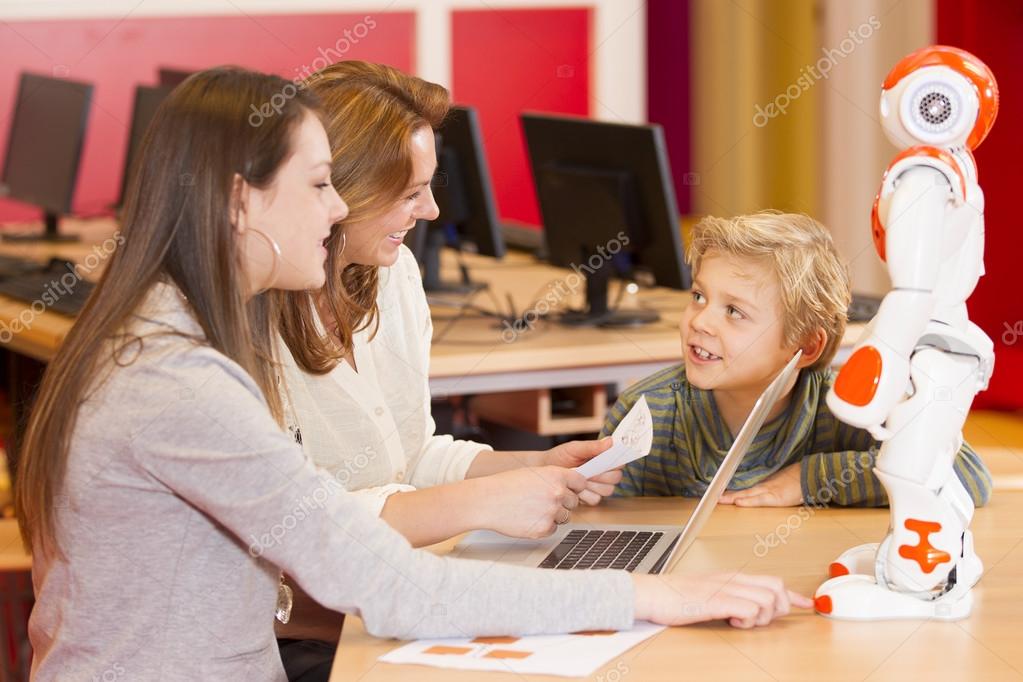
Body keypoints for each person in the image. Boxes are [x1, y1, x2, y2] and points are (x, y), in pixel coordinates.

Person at [14, 68, 810, 680]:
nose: (334, 211)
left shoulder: (158, 334)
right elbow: (388, 584)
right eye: (319, 184)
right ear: (238, 201)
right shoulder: (178, 380)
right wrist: (653, 597)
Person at [274, 60, 619, 549]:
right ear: (343, 190)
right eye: (410, 193)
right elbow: (295, 521)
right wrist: (482, 502)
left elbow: (410, 459)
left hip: (391, 578)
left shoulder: (394, 278)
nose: (431, 211)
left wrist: (536, 466)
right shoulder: (247, 320)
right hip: (315, 611)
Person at [602, 211, 992, 508]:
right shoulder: (649, 411)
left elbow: (966, 477)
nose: (700, 321)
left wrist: (808, 480)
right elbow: (599, 528)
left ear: (805, 347)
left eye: (734, 311)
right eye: (699, 296)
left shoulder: (846, 408)